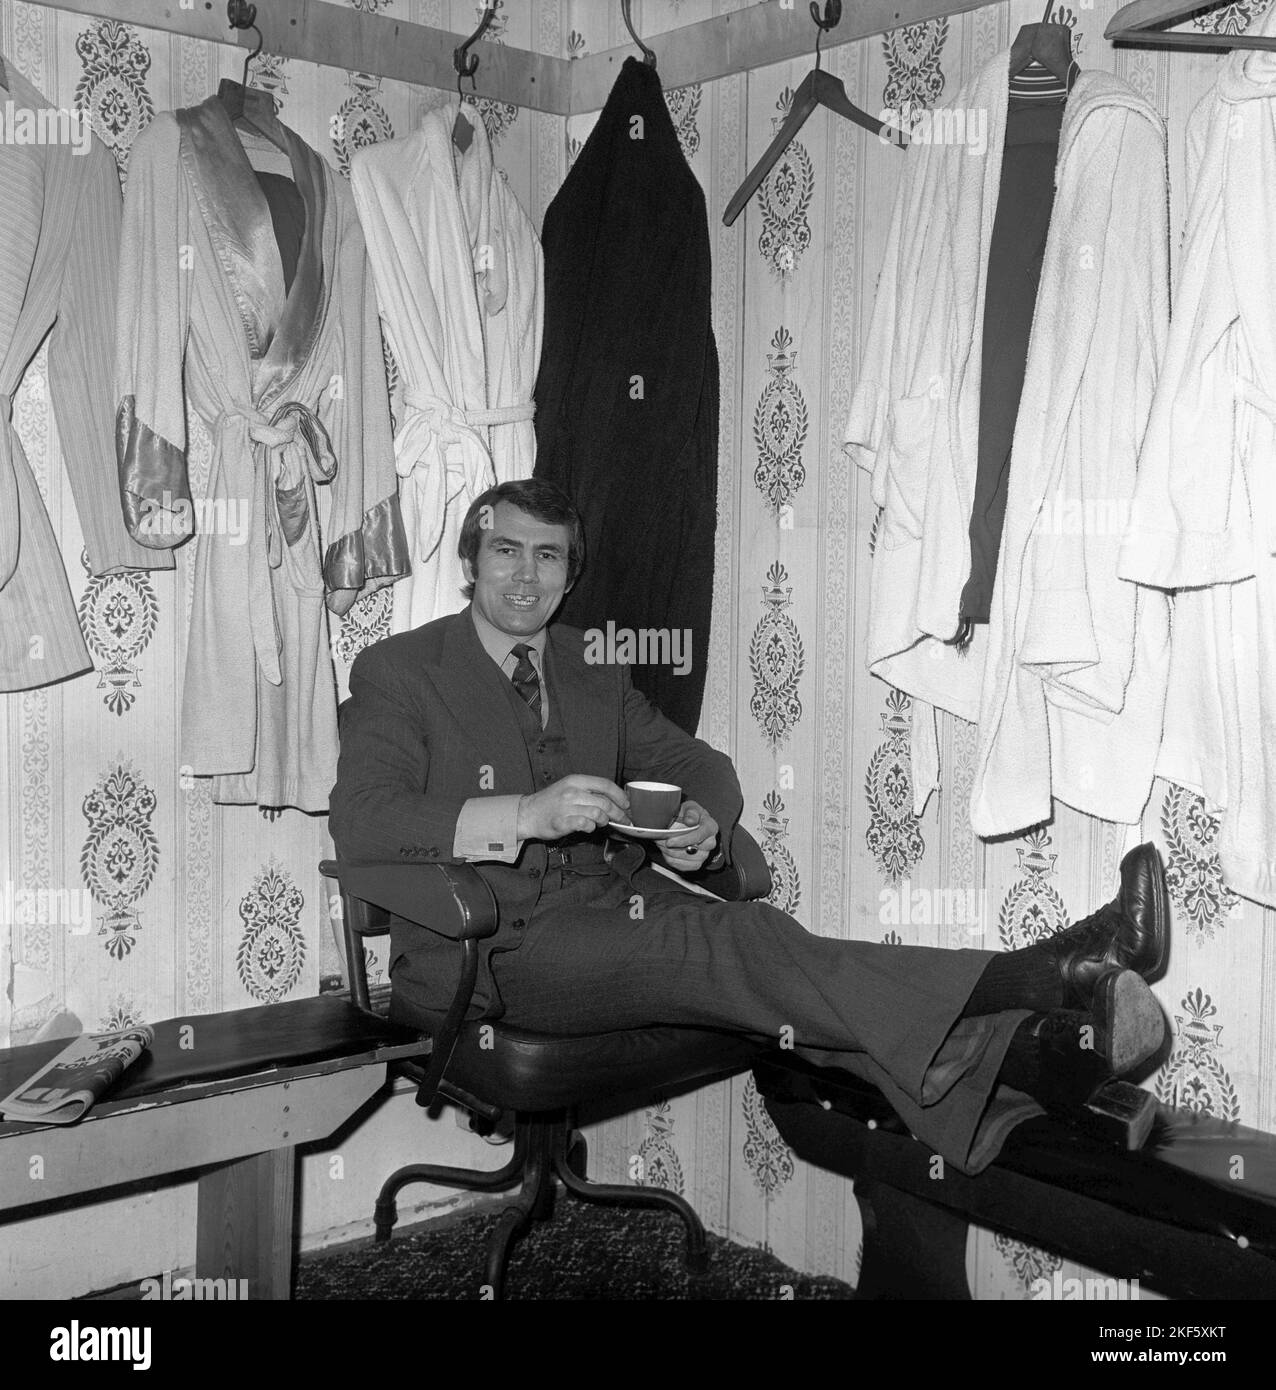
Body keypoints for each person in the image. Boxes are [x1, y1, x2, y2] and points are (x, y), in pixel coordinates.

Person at [329, 479, 1169, 1174]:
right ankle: (1037, 976)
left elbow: (704, 768)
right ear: (470, 561)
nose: (525, 576)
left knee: (767, 959)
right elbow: (363, 819)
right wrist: (523, 814)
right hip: (489, 948)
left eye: (547, 557)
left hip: (614, 913)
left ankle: (1039, 1059)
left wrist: (702, 819)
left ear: (569, 576)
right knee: (741, 944)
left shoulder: (591, 663)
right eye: (505, 551)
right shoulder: (401, 670)